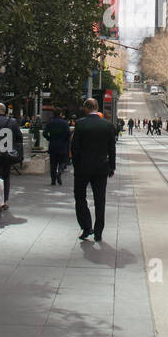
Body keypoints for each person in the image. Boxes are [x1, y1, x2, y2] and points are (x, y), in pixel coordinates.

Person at [70, 97, 116, 243]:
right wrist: (112, 166)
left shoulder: (80, 124)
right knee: (100, 200)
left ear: (86, 108)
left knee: (80, 197)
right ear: (97, 108)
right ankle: (98, 232)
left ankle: (86, 226)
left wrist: (76, 165)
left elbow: (75, 148)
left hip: (82, 168)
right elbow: (111, 148)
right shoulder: (107, 125)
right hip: (101, 168)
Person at [0, 103, 23, 211]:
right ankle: (5, 200)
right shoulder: (12, 121)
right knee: (6, 177)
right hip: (7, 154)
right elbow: (19, 137)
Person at [44, 110, 71, 185]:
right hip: (62, 145)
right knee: (63, 161)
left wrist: (49, 138)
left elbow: (44, 133)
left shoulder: (50, 122)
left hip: (53, 145)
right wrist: (65, 140)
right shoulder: (64, 123)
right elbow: (68, 134)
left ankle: (53, 180)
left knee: (53, 164)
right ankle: (60, 170)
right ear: (60, 114)